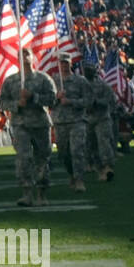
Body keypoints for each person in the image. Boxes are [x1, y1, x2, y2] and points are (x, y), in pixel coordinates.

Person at [0, 50, 57, 207]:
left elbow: (53, 99)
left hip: (40, 124)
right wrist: (16, 104)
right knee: (23, 159)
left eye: (27, 54)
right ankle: (26, 193)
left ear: (33, 58)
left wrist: (34, 97)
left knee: (42, 159)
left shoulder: (43, 79)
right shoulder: (11, 81)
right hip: (20, 125)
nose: (24, 58)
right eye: (21, 55)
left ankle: (42, 193)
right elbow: (2, 102)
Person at [52, 56, 92, 192]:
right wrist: (56, 98)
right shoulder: (53, 81)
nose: (63, 66)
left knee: (77, 150)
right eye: (61, 63)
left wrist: (72, 102)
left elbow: (88, 100)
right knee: (64, 154)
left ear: (70, 64)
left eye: (66, 63)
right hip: (60, 122)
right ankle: (72, 175)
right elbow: (46, 101)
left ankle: (80, 180)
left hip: (77, 120)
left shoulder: (80, 81)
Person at [84, 63, 117, 182]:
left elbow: (109, 100)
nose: (88, 72)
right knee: (92, 146)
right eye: (86, 70)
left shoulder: (103, 85)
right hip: (87, 120)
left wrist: (96, 102)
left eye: (90, 70)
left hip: (102, 118)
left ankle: (108, 167)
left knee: (104, 143)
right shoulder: (81, 86)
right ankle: (100, 169)